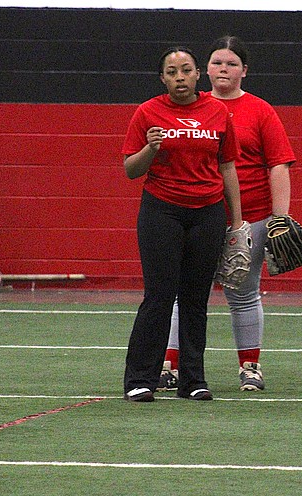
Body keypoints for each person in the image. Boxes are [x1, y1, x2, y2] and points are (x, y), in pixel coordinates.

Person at [159, 36, 296, 393]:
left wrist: (279, 218)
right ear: (204, 69)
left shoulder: (261, 110)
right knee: (185, 291)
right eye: (217, 62)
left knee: (244, 291)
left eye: (232, 63)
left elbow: (279, 165)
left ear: (244, 71)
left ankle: (250, 367)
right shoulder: (194, 107)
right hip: (198, 213)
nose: (224, 69)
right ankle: (170, 365)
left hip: (251, 216)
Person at [121, 46, 243, 402]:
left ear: (197, 74)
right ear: (163, 78)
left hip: (207, 213)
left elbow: (227, 167)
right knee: (159, 296)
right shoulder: (148, 112)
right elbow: (131, 170)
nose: (180, 78)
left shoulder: (217, 111)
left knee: (195, 299)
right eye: (172, 72)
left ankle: (192, 380)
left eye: (186, 70)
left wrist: (237, 222)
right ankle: (140, 379)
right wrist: (150, 148)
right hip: (162, 212)